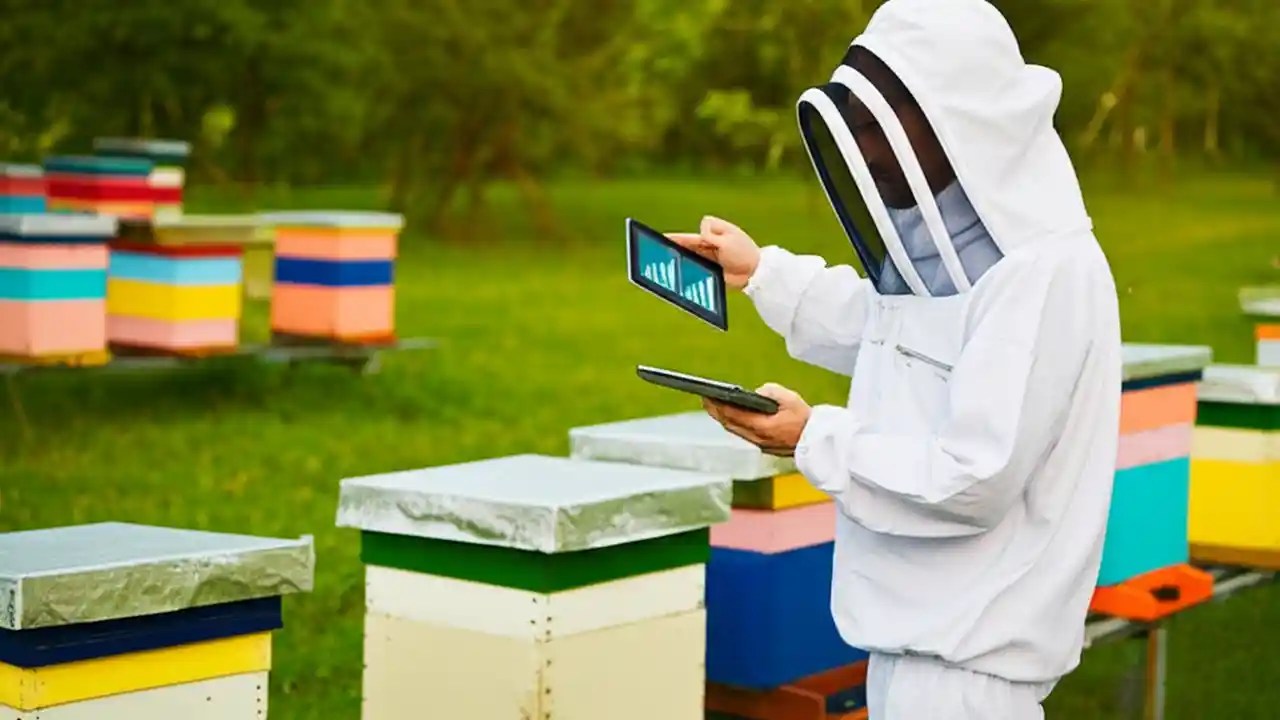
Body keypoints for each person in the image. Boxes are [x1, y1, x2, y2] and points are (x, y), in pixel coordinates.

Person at [668, 0, 1122, 717]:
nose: (867, 148)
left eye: (882, 123)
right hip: (919, 657)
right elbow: (894, 330)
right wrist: (761, 272)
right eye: (858, 122)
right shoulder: (971, 253)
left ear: (959, 114)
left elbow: (975, 476)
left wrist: (811, 436)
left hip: (968, 676)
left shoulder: (1044, 272)